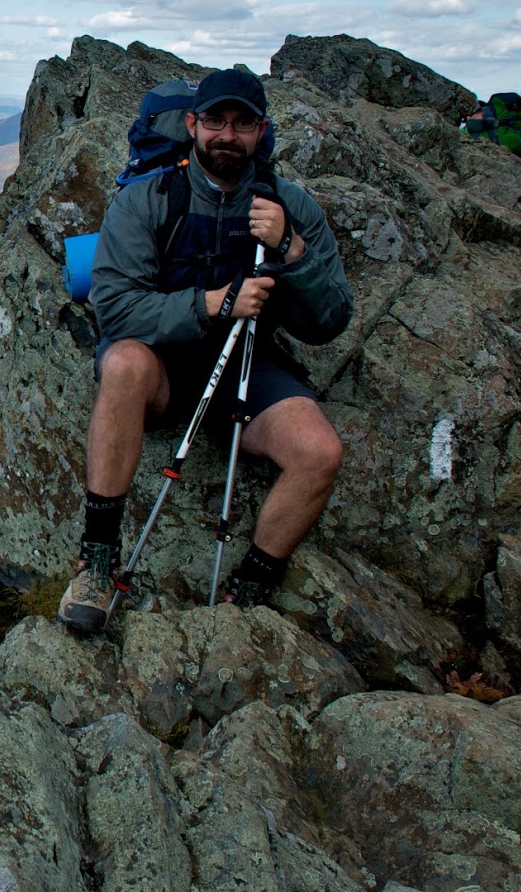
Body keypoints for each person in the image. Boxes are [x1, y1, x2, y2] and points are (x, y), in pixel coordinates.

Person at [57, 68, 354, 635]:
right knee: (122, 362)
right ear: (193, 125)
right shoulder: (147, 200)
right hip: (165, 365)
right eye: (215, 121)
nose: (227, 135)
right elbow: (115, 311)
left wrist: (292, 250)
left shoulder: (289, 207)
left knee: (319, 452)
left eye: (242, 124)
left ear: (260, 131)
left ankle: (249, 588)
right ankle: (96, 561)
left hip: (250, 367)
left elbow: (331, 321)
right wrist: (212, 304)